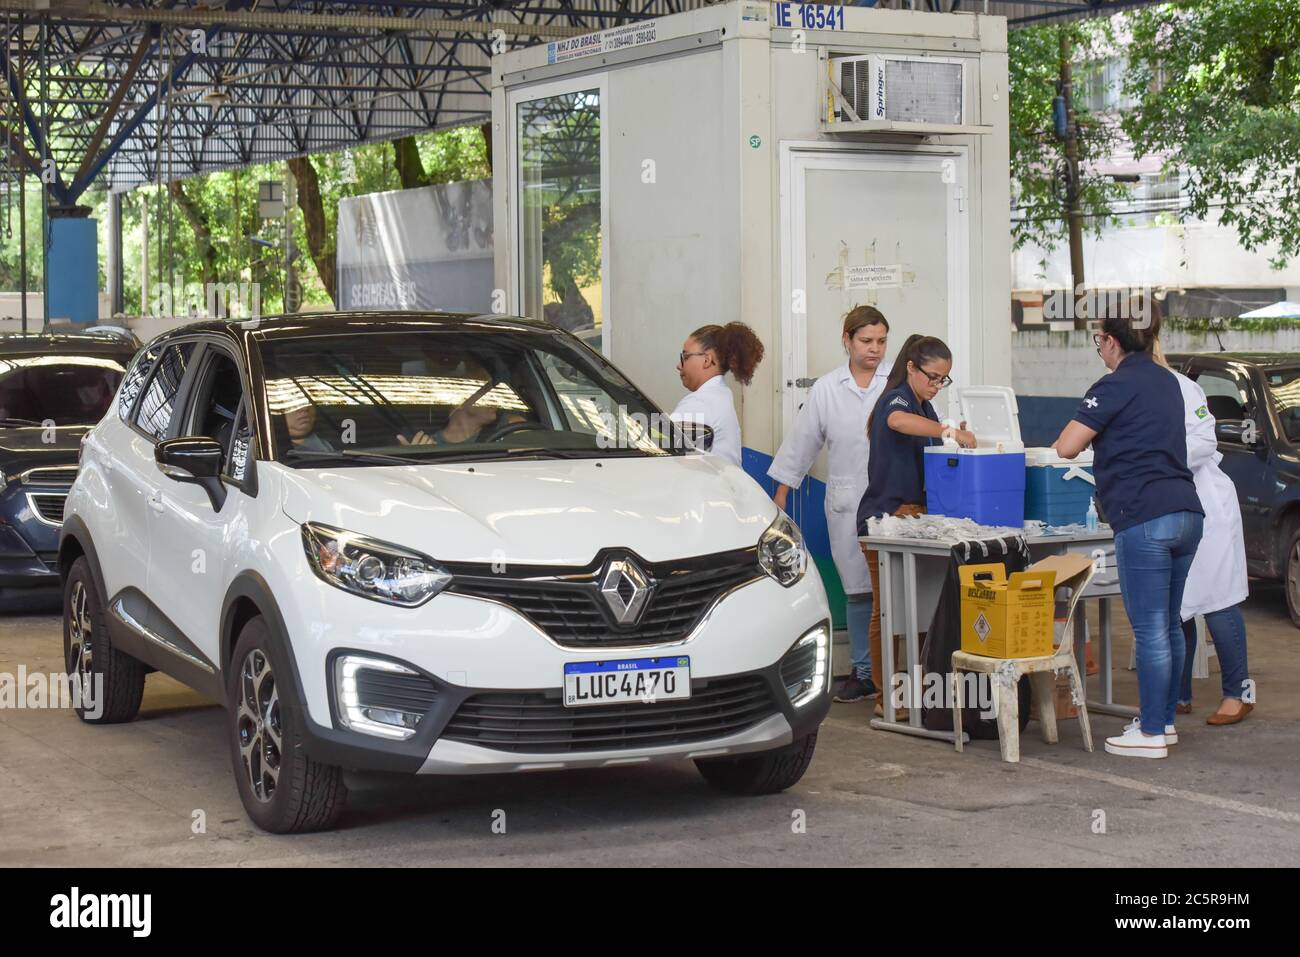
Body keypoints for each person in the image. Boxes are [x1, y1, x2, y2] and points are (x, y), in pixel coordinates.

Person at [1053, 309, 1204, 759]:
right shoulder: (1166, 381)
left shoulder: (1114, 385)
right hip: (1186, 512)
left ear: (1112, 342)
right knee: (1170, 623)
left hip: (1144, 515)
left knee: (1149, 628)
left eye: (1098, 341)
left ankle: (1152, 732)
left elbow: (1066, 446)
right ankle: (1164, 722)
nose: (1099, 349)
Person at [767, 306, 892, 702]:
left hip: (894, 500)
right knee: (858, 589)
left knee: (896, 588)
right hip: (848, 501)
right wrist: (781, 494)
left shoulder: (897, 384)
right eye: (866, 341)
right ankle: (863, 671)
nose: (875, 349)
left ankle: (896, 672)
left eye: (882, 341)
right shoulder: (826, 388)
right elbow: (802, 442)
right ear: (847, 340)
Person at [856, 335, 975, 716]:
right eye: (933, 377)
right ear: (911, 367)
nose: (937, 385)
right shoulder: (898, 399)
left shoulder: (926, 404)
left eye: (944, 380)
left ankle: (923, 690)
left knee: (923, 610)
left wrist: (951, 432)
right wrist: (946, 432)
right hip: (887, 518)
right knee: (888, 610)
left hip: (920, 518)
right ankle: (886, 697)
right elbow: (897, 421)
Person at [1150, 340, 1252, 726]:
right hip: (1167, 504)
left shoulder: (1181, 386)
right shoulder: (1127, 388)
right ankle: (1178, 695)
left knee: (1217, 599)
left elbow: (1204, 441)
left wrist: (1156, 461)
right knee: (1178, 605)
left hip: (1205, 502)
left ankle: (1238, 692)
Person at [671, 322, 765, 468]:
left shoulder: (700, 403)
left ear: (707, 360)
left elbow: (668, 462)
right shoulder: (720, 395)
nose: (679, 365)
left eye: (685, 356)